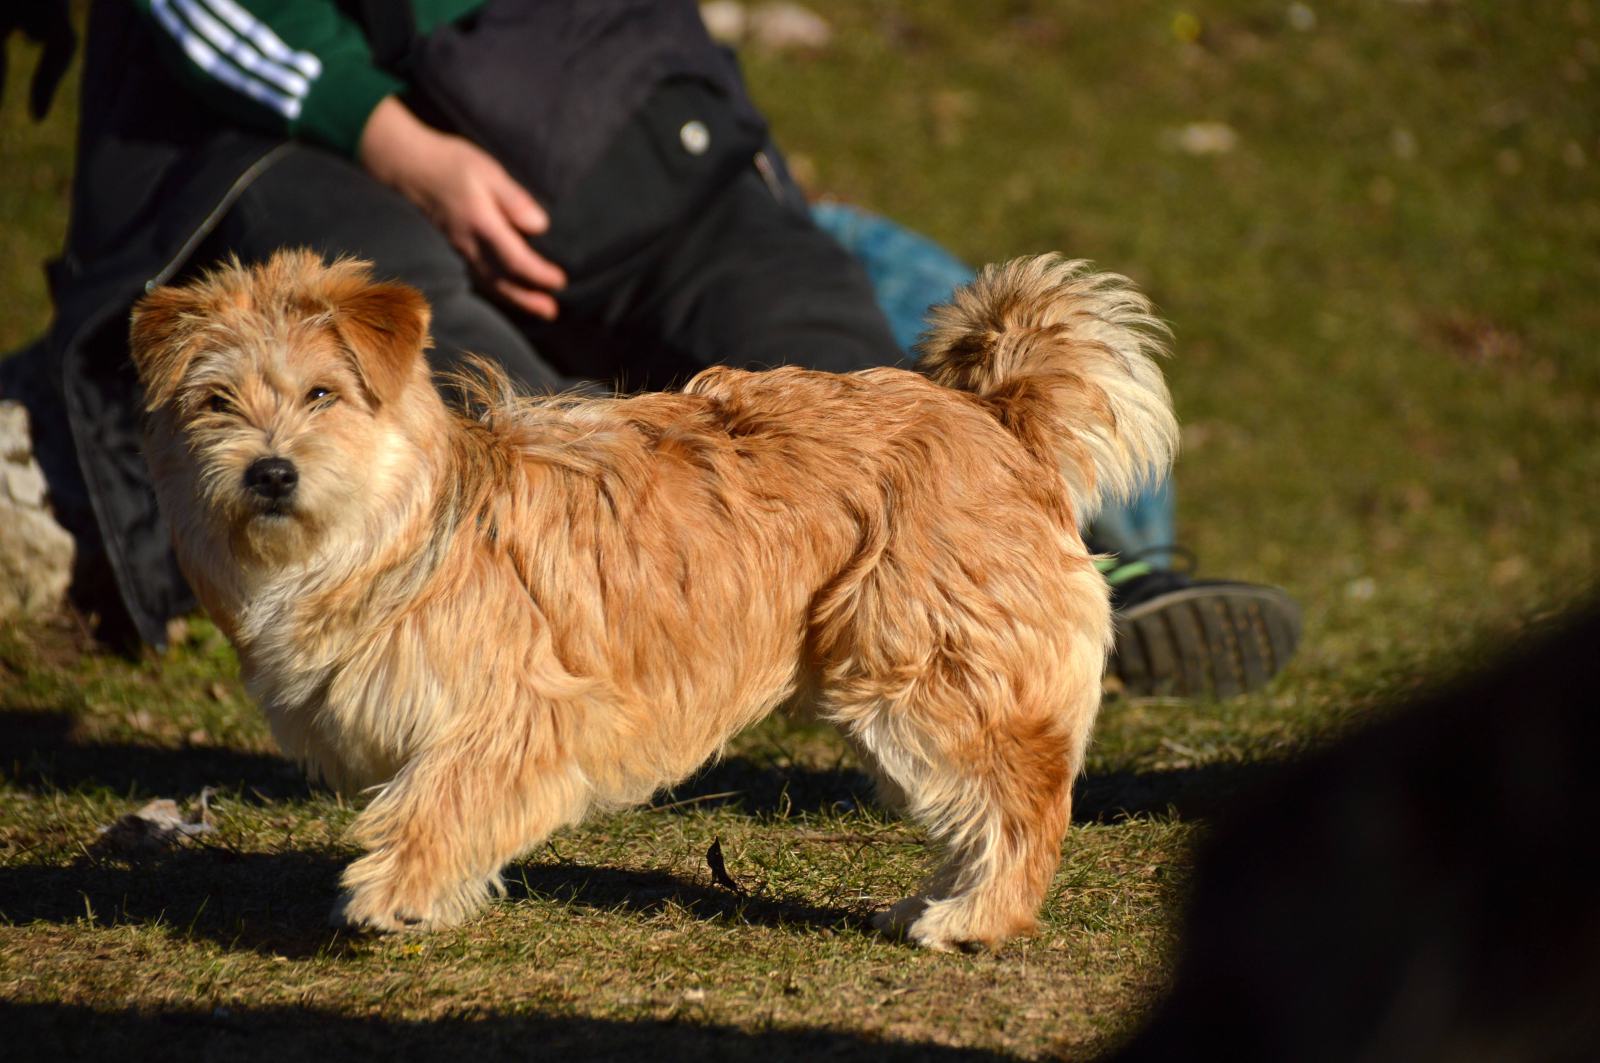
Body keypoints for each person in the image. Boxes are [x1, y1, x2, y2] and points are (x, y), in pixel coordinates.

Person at [1, 0, 1297, 698]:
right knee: (478, 382)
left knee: (813, 320)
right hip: (309, 149)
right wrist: (404, 145)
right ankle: (589, 669)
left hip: (592, 108)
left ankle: (1049, 583)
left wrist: (725, 146)